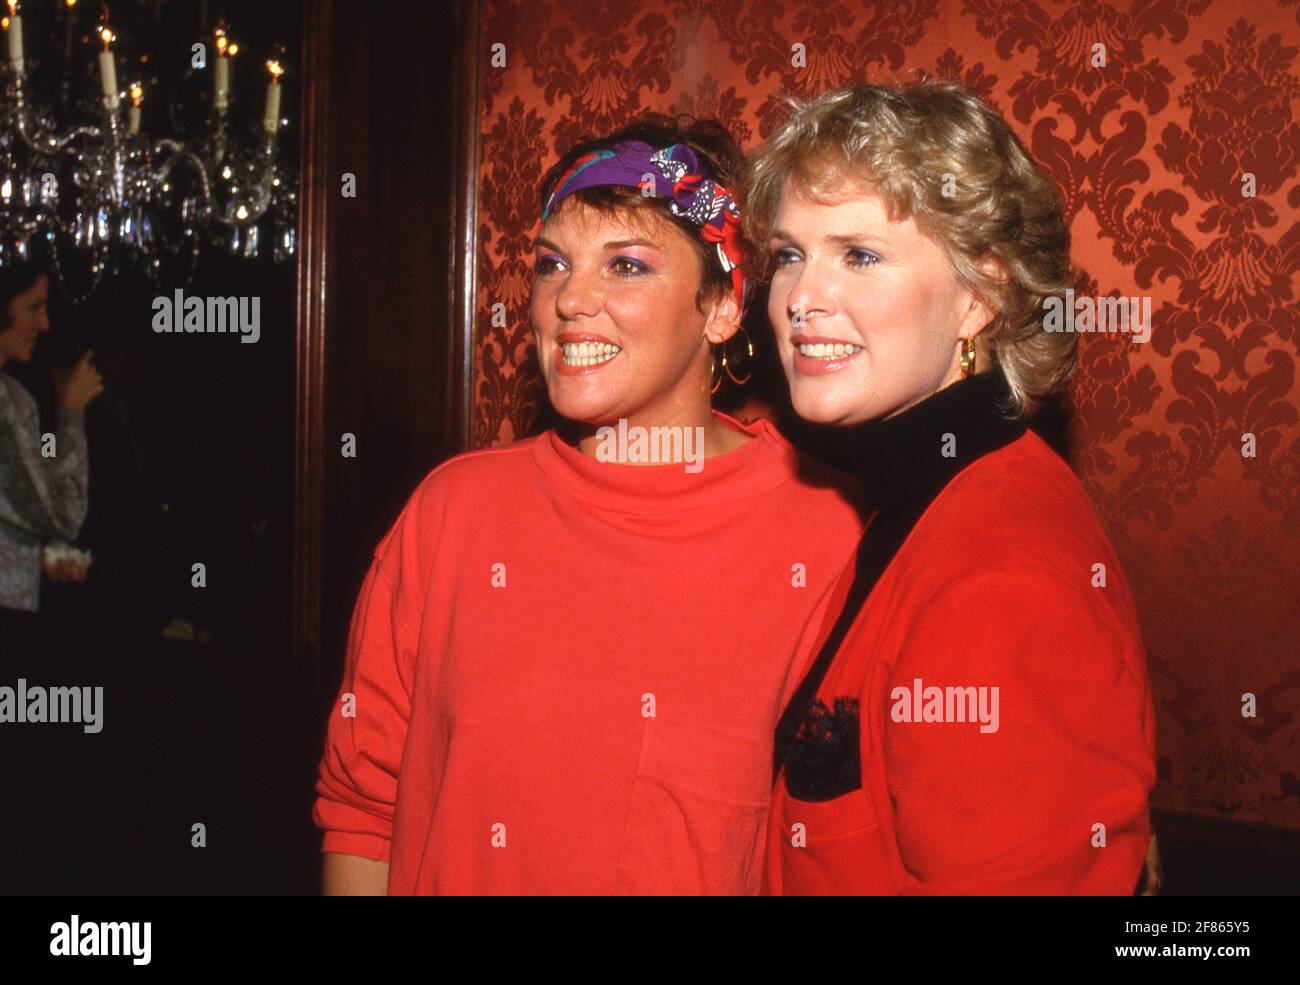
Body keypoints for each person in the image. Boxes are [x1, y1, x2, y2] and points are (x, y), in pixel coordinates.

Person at [313, 116, 865, 894]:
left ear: (722, 307)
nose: (569, 299)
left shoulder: (829, 530)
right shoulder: (453, 515)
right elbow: (363, 807)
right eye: (552, 265)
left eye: (627, 266)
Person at [743, 80, 1158, 894]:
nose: (801, 299)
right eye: (791, 254)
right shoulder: (929, 495)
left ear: (980, 294)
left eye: (859, 254)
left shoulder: (1000, 578)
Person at [0, 261, 102, 650]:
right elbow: (64, 512)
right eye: (32, 307)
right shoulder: (9, 402)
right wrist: (72, 412)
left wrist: (30, 559)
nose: (45, 324)